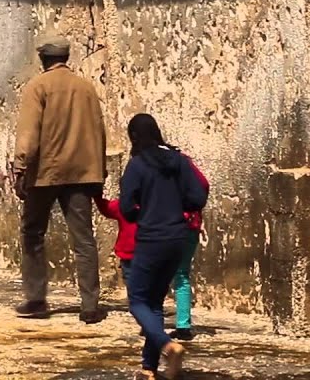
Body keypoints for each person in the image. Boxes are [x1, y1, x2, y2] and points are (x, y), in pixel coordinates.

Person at [12, 35, 108, 324]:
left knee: (32, 234)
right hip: (81, 173)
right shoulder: (86, 87)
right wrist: (97, 172)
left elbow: (28, 134)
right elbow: (98, 131)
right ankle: (90, 304)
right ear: (66, 58)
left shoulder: (37, 87)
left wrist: (20, 168)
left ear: (43, 59)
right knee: (84, 239)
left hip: (45, 173)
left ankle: (36, 299)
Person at [120, 113, 208, 380]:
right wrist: (180, 207)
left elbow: (125, 207)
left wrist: (142, 213)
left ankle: (167, 345)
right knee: (155, 302)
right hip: (178, 237)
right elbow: (198, 195)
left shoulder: (137, 165)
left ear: (134, 137)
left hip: (151, 237)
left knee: (137, 300)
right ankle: (149, 368)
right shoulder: (178, 160)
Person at [171, 154, 209, 341]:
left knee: (156, 274)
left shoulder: (156, 165)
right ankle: (183, 325)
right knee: (182, 275)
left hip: (166, 227)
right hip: (190, 225)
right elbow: (204, 186)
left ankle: (150, 323)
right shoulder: (187, 166)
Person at [94, 194, 136, 284]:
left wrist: (96, 195)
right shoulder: (154, 205)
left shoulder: (124, 205)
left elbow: (107, 208)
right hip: (149, 252)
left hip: (128, 252)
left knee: (130, 280)